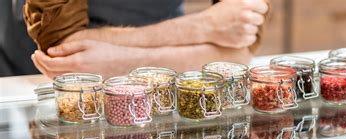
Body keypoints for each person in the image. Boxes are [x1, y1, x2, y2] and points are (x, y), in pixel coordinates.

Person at [0, 0, 268, 78]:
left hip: (160, 95)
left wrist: (124, 62)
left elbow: (240, 50)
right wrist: (203, 27)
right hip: (35, 86)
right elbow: (65, 51)